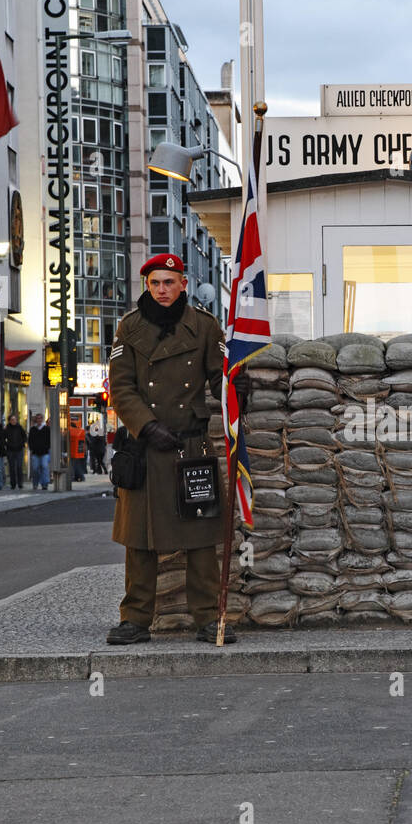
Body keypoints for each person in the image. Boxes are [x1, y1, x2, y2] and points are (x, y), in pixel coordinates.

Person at [107, 252, 249, 646]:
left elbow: (218, 376)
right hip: (145, 447)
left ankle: (208, 617)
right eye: (155, 283)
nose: (162, 290)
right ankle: (135, 619)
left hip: (190, 444)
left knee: (200, 534)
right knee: (140, 539)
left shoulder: (204, 326)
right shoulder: (129, 327)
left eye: (169, 282)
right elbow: (120, 386)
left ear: (183, 284)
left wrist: (236, 387)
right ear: (147, 286)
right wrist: (146, 425)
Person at [3, 414, 27, 489]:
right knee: (12, 467)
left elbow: (24, 437)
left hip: (19, 449)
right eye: (12, 420)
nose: (14, 421)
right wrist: (7, 444)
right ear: (9, 421)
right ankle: (13, 483)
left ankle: (20, 483)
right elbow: (3, 438)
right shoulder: (7, 428)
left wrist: (22, 444)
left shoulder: (19, 427)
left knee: (19, 466)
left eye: (15, 419)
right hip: (10, 450)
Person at [29, 414, 52, 489]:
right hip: (35, 452)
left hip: (44, 452)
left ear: (42, 419)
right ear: (36, 420)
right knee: (35, 468)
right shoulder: (33, 429)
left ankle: (44, 483)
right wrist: (31, 448)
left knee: (44, 467)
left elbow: (49, 440)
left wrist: (47, 447)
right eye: (37, 418)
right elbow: (30, 440)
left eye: (40, 418)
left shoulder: (46, 429)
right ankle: (35, 483)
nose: (39, 420)